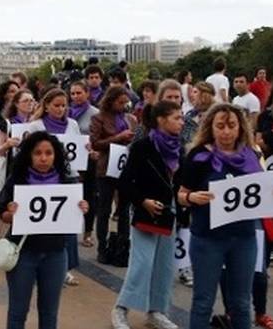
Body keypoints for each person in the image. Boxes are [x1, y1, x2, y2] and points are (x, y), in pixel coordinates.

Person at [177, 103, 262, 329]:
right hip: (207, 239)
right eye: (220, 126)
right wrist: (192, 197)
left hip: (244, 238)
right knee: (203, 302)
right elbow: (181, 195)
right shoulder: (198, 156)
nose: (226, 132)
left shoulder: (252, 156)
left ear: (240, 127)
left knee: (241, 303)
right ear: (211, 127)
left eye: (232, 125)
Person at [0, 131, 89, 329]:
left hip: (55, 253)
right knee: (18, 311)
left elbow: (74, 211)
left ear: (56, 155)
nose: (43, 158)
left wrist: (81, 207)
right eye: (37, 153)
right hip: (23, 252)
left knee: (49, 312)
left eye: (48, 153)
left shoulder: (67, 181)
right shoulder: (17, 180)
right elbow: (2, 212)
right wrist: (10, 213)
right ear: (29, 155)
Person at [111, 101, 182, 329]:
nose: (181, 122)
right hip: (145, 212)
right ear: (161, 120)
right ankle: (121, 308)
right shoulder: (143, 147)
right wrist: (143, 201)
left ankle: (157, 311)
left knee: (164, 265)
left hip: (170, 212)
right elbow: (125, 182)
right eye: (177, 118)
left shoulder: (180, 148)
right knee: (141, 263)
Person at [92, 85, 135, 266]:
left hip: (125, 167)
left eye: (126, 102)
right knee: (104, 209)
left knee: (124, 209)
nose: (124, 105)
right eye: (120, 102)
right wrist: (118, 137)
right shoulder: (99, 118)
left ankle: (122, 248)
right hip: (106, 167)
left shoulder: (130, 119)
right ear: (111, 101)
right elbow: (95, 143)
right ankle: (102, 247)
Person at [67, 81, 101, 248]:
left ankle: (87, 232)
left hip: (88, 160)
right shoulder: (66, 112)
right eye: (73, 93)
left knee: (89, 195)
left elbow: (98, 137)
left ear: (87, 93)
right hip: (69, 161)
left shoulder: (95, 114)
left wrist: (93, 149)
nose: (76, 96)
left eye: (79, 93)